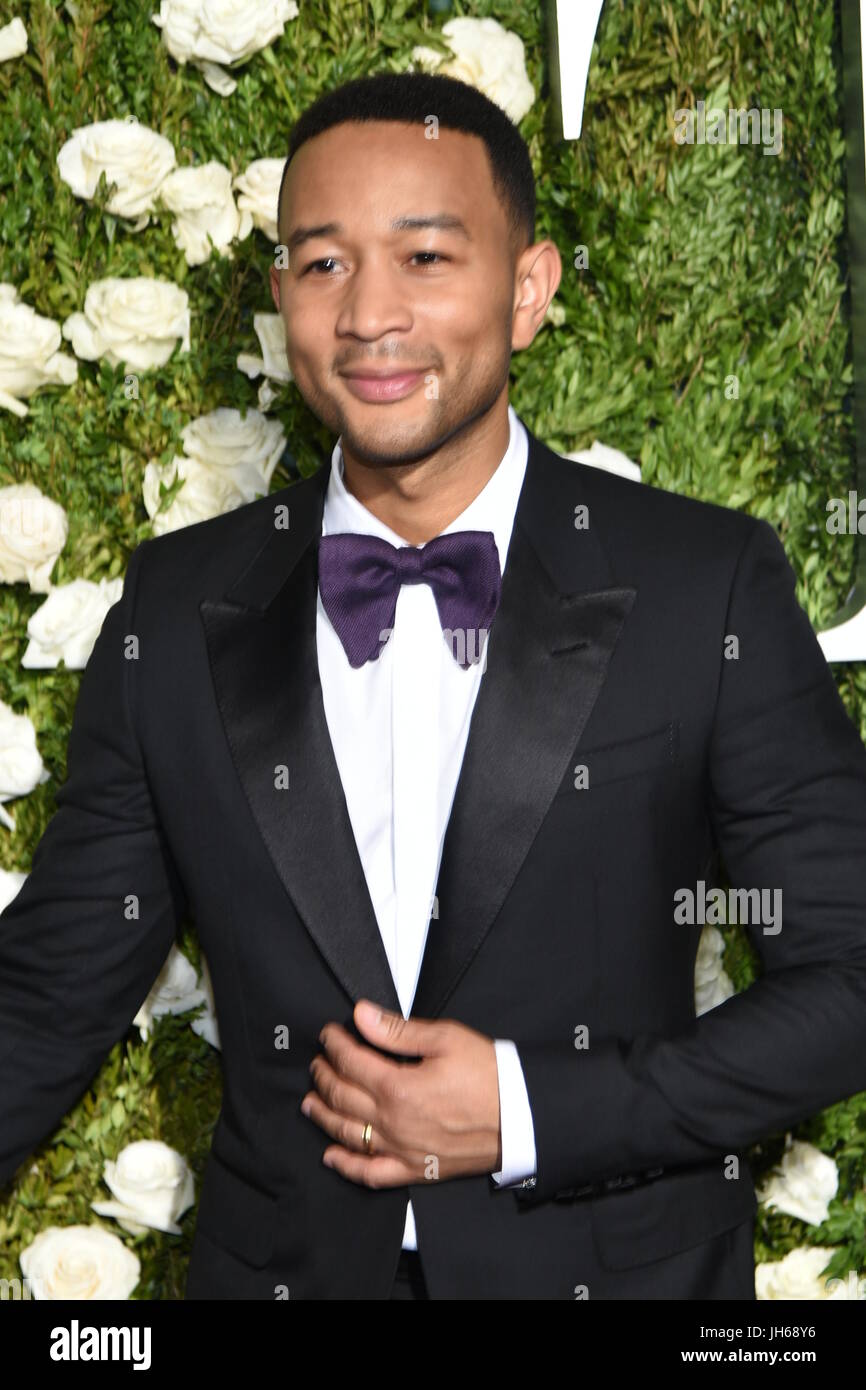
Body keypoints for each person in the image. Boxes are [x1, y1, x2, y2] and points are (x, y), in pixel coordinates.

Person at [2, 71, 866, 1300]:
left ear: (527, 291)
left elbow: (848, 973)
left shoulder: (700, 587)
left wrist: (524, 1108)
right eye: (322, 265)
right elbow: (46, 995)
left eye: (423, 257)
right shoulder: (176, 610)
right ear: (280, 298)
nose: (368, 316)